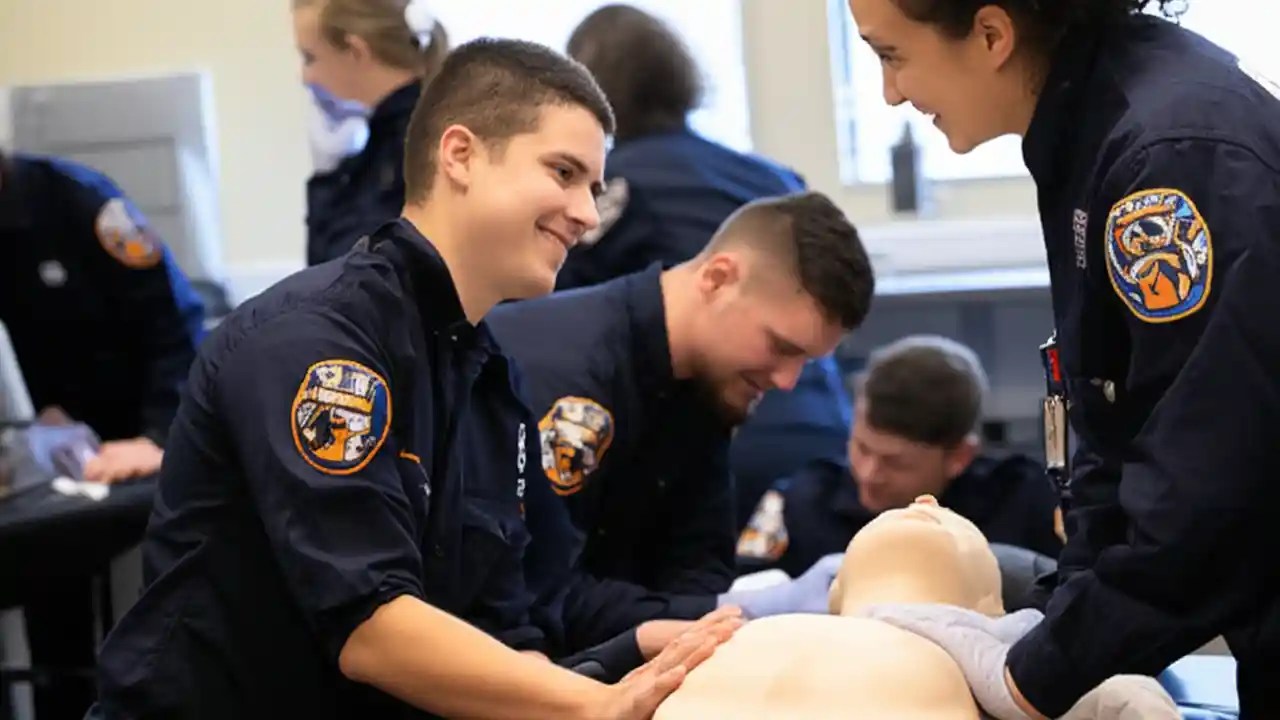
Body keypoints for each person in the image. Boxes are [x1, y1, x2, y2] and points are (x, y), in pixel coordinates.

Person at [91, 38, 740, 720]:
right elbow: (372, 628)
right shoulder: (321, 344)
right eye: (563, 172)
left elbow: (509, 628)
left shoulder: (489, 379)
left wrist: (638, 652)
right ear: (459, 154)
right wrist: (593, 704)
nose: (585, 212)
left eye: (593, 186)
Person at [842, 0, 1280, 717]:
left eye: (892, 55)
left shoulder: (1168, 157)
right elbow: (1122, 414)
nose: (890, 92)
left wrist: (1038, 674)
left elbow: (1215, 481)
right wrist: (1058, 618)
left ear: (991, 34)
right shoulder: (1105, 119)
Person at [490, 191, 875, 671]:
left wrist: (715, 615)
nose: (787, 381)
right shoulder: (565, 376)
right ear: (718, 279)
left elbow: (696, 567)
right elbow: (536, 598)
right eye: (780, 346)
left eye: (805, 361)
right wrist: (730, 614)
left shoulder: (705, 387)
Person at [562, 3, 855, 523]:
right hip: (827, 441)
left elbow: (563, 324)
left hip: (719, 455)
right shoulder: (773, 179)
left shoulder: (603, 192)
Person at [655, 495, 1180, 720]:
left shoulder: (1015, 676)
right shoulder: (728, 636)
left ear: (991, 612)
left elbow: (1130, 703)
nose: (924, 501)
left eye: (949, 518)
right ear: (833, 596)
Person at [0, 149, 206, 718]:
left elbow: (175, 328)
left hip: (137, 440)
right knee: (52, 625)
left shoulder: (87, 205)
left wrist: (159, 435)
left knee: (139, 631)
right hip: (52, 455)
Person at [737, 335, 1063, 582]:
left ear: (959, 457)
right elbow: (742, 598)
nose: (868, 474)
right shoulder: (799, 501)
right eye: (861, 448)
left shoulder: (1023, 502)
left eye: (896, 463)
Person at [293, 0, 450, 265]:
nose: (306, 77)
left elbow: (341, 279)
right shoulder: (395, 136)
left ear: (356, 51)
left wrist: (329, 179)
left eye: (310, 58)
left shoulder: (416, 148)